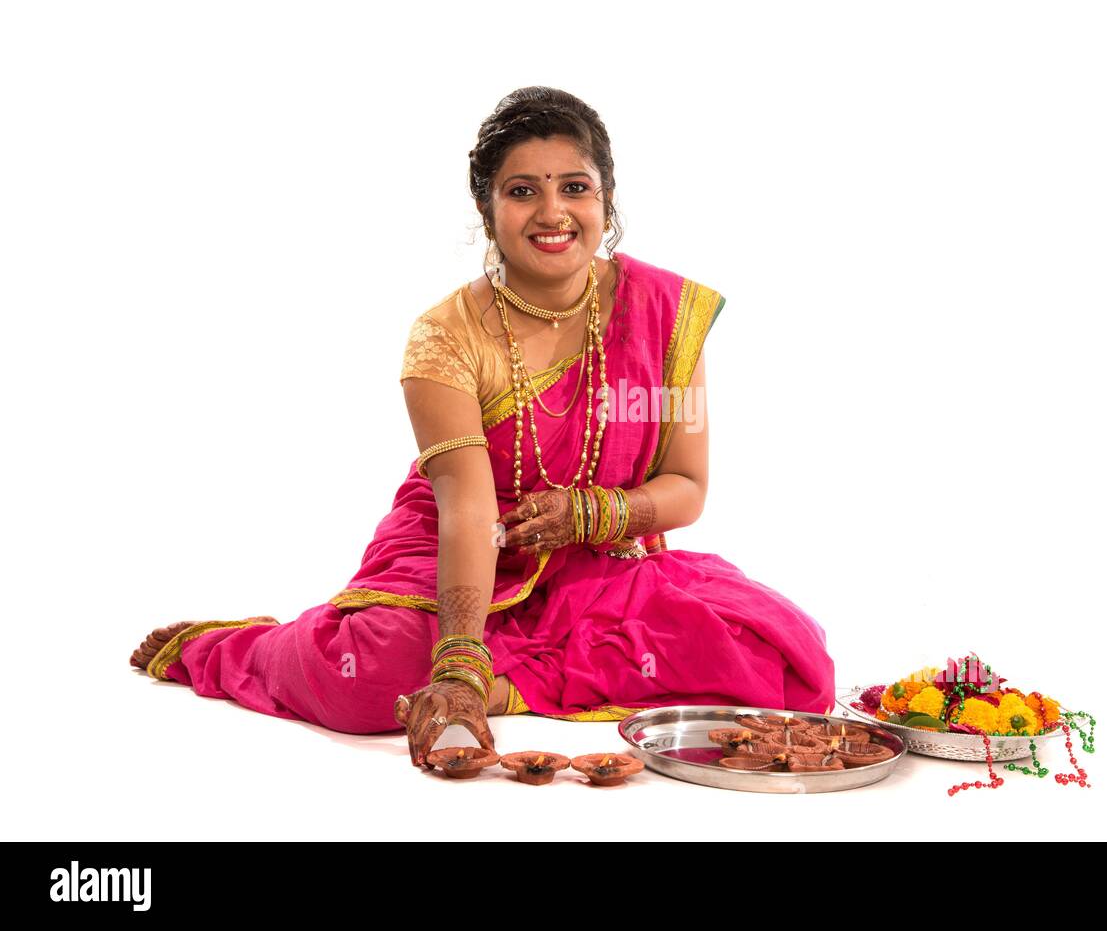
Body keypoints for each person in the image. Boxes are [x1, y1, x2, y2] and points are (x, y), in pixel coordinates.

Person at [129, 86, 837, 769]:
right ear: (485, 205)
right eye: (522, 190)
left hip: (600, 555)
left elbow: (687, 487)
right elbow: (467, 508)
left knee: (781, 653)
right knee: (370, 675)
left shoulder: (665, 311)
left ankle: (505, 687)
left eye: (575, 187)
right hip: (461, 543)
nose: (552, 212)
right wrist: (458, 658)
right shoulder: (444, 338)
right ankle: (242, 649)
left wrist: (590, 512)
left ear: (607, 198)